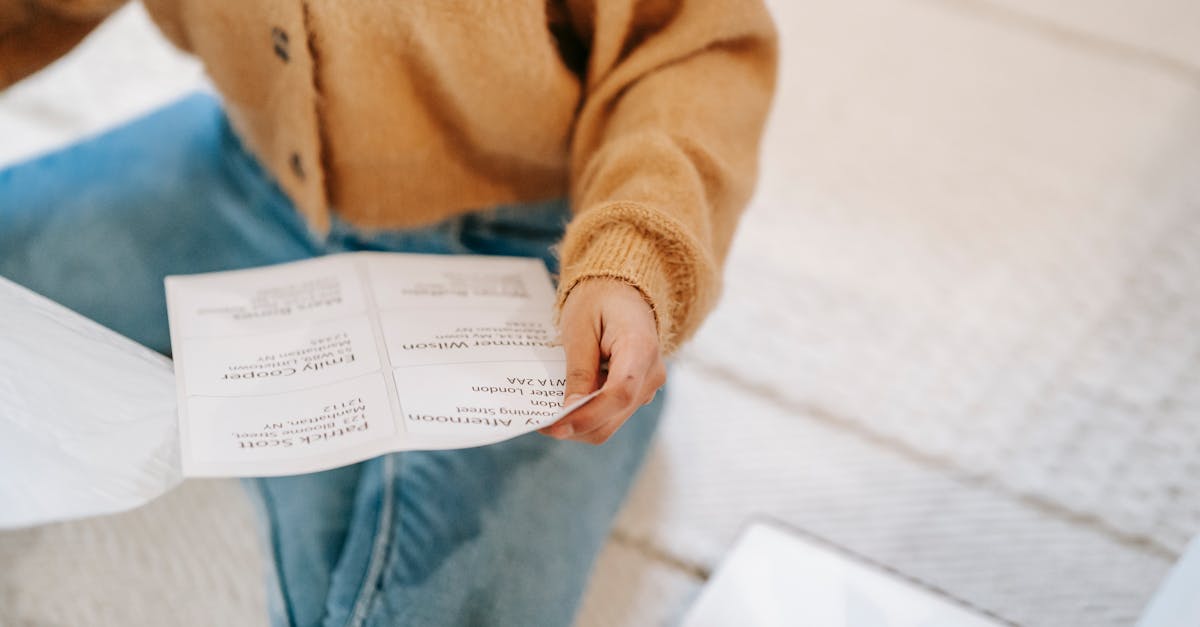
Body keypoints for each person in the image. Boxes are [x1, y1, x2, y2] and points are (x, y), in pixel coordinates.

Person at [0, 1, 777, 625]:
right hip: (251, 169)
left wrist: (635, 260)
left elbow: (691, 45)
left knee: (439, 602)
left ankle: (624, 345)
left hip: (531, 254)